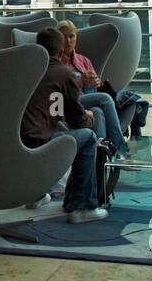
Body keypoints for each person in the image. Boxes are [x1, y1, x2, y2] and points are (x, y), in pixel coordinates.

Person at [20, 27, 108, 223]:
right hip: (38, 142)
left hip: (16, 140)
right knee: (89, 137)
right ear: (60, 52)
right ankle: (81, 207)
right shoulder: (61, 72)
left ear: (38, 47)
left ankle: (37, 196)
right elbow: (77, 119)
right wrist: (91, 118)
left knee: (58, 128)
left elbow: (49, 108)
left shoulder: (23, 70)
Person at [56, 20, 129, 157]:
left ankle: (100, 156)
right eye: (64, 36)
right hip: (67, 102)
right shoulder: (55, 62)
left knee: (97, 112)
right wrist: (80, 81)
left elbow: (95, 89)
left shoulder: (84, 61)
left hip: (85, 100)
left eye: (71, 36)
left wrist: (96, 84)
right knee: (105, 98)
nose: (68, 41)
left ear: (76, 38)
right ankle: (120, 150)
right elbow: (56, 91)